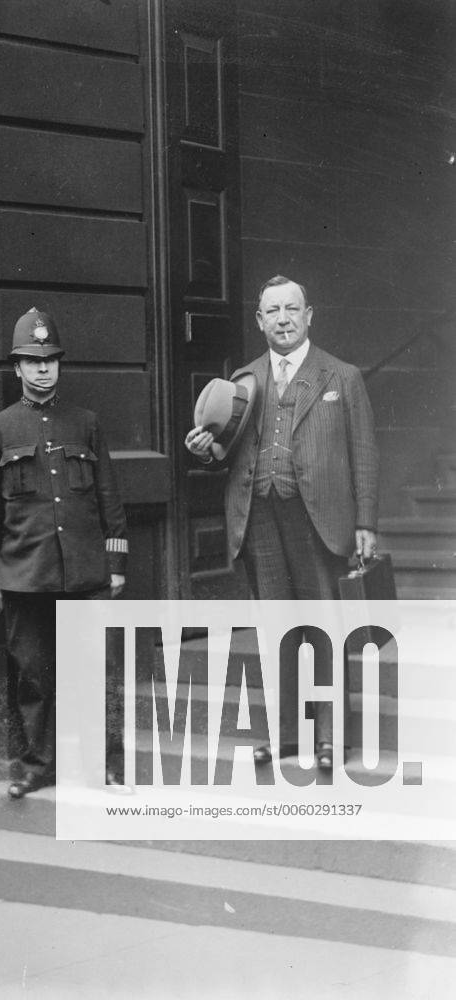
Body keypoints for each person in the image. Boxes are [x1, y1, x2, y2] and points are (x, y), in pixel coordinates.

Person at [185, 275, 379, 769]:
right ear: (259, 319)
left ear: (309, 315)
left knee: (324, 630)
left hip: (320, 518)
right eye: (273, 311)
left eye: (292, 309)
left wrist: (367, 522)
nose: (283, 319)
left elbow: (365, 454)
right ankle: (288, 736)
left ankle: (332, 738)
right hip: (259, 517)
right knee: (278, 632)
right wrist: (206, 451)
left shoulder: (341, 376)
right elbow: (227, 451)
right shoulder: (243, 381)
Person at [0, 307, 128, 798]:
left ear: (59, 365)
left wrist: (115, 565)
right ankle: (39, 766)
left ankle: (106, 765)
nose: (42, 369)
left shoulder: (86, 424)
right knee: (33, 677)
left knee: (98, 673)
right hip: (24, 575)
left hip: (86, 573)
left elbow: (109, 500)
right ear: (16, 368)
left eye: (50, 360)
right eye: (32, 361)